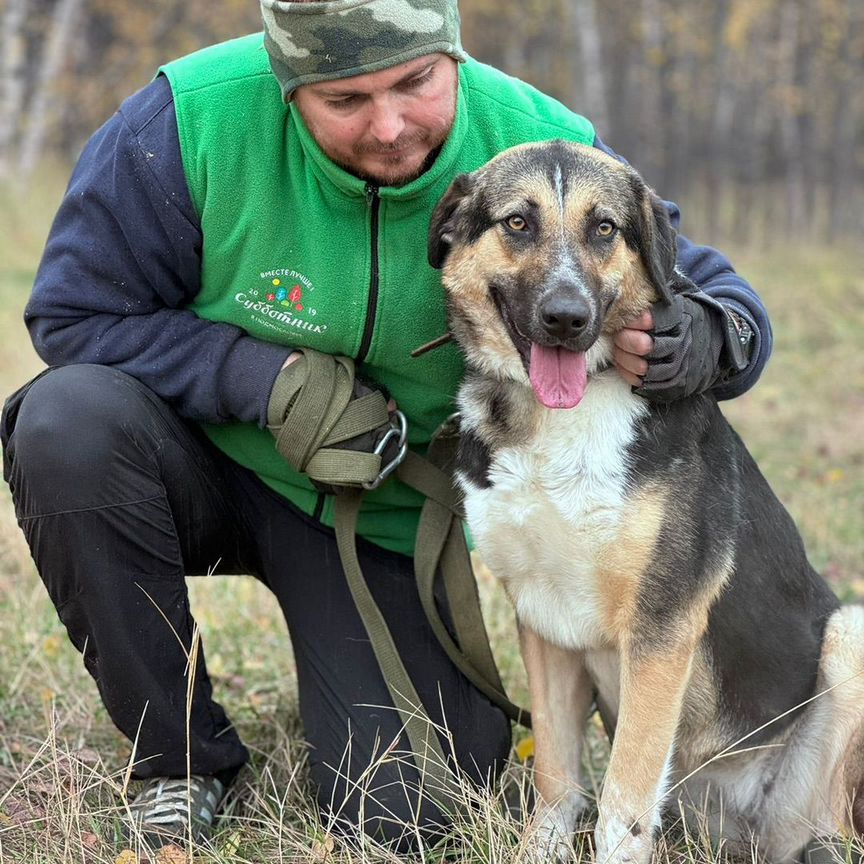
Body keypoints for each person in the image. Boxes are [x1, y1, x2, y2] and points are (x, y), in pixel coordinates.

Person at [1, 0, 771, 853]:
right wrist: (259, 380)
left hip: (384, 522)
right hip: (201, 468)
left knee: (410, 813)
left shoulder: (536, 144)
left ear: (453, 58)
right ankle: (179, 761)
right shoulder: (187, 123)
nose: (392, 124)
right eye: (346, 100)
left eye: (417, 82)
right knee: (65, 424)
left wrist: (706, 337)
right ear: (286, 85)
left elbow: (705, 287)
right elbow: (74, 312)